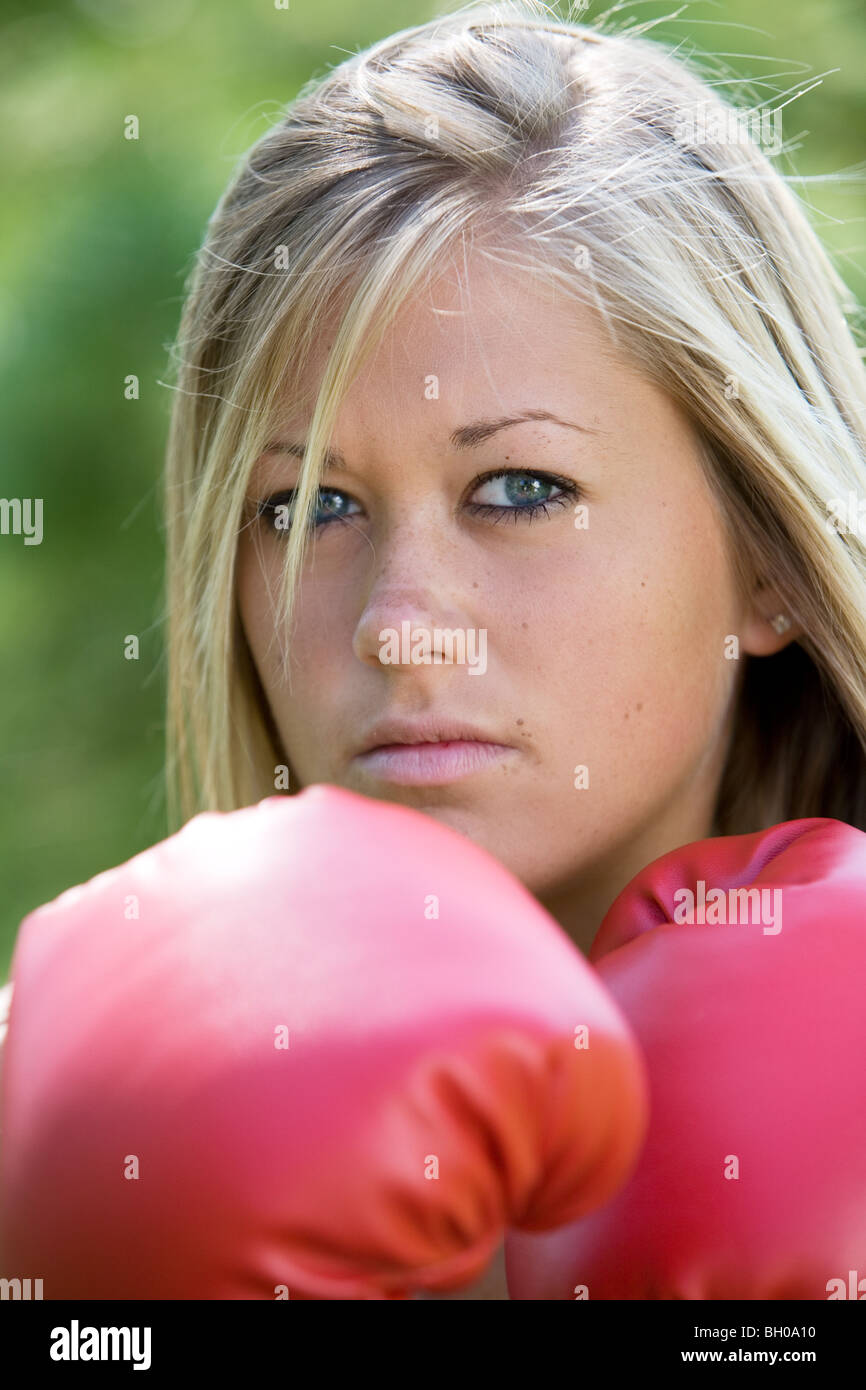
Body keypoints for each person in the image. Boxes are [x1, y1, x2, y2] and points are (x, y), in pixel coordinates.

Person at [2, 0, 866, 1301]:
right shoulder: (65, 1130)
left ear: (768, 558)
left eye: (519, 490)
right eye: (309, 506)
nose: (398, 623)